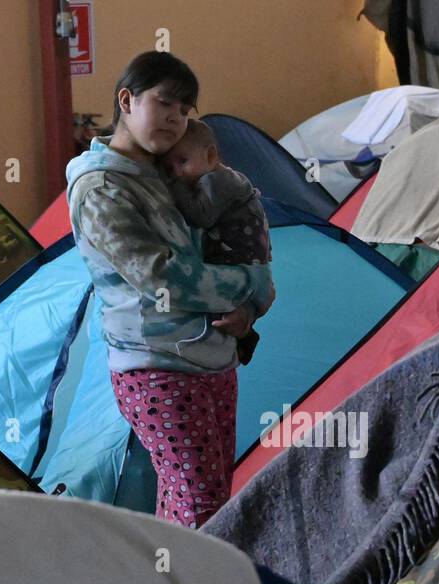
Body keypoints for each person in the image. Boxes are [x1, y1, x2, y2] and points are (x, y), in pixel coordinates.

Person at [66, 52, 275, 529]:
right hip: (156, 367)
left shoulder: (168, 173)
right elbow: (164, 277)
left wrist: (248, 309)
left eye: (184, 110)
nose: (175, 119)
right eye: (164, 103)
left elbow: (226, 232)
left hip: (209, 356)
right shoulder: (100, 188)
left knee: (208, 491)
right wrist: (253, 285)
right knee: (197, 499)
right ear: (127, 100)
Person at [161, 119, 271, 364]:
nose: (177, 173)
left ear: (210, 156)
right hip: (241, 255)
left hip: (241, 257)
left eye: (182, 162)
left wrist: (173, 186)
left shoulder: (217, 180)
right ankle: (241, 337)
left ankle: (244, 339)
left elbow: (202, 215)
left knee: (231, 302)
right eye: (169, 168)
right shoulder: (218, 178)